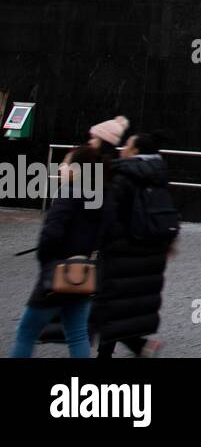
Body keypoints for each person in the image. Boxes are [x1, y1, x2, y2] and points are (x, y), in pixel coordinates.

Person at [9, 144, 114, 358]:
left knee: (26, 331)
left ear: (76, 169)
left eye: (65, 164)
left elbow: (51, 236)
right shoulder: (101, 196)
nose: (60, 169)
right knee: (77, 334)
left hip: (59, 272)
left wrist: (47, 263)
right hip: (84, 273)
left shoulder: (67, 194)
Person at [92, 132, 176, 358]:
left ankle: (125, 348)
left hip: (119, 251)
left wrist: (96, 242)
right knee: (119, 304)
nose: (123, 149)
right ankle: (137, 346)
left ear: (136, 151)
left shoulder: (124, 175)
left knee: (107, 302)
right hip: (145, 251)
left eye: (128, 145)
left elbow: (110, 215)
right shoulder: (158, 175)